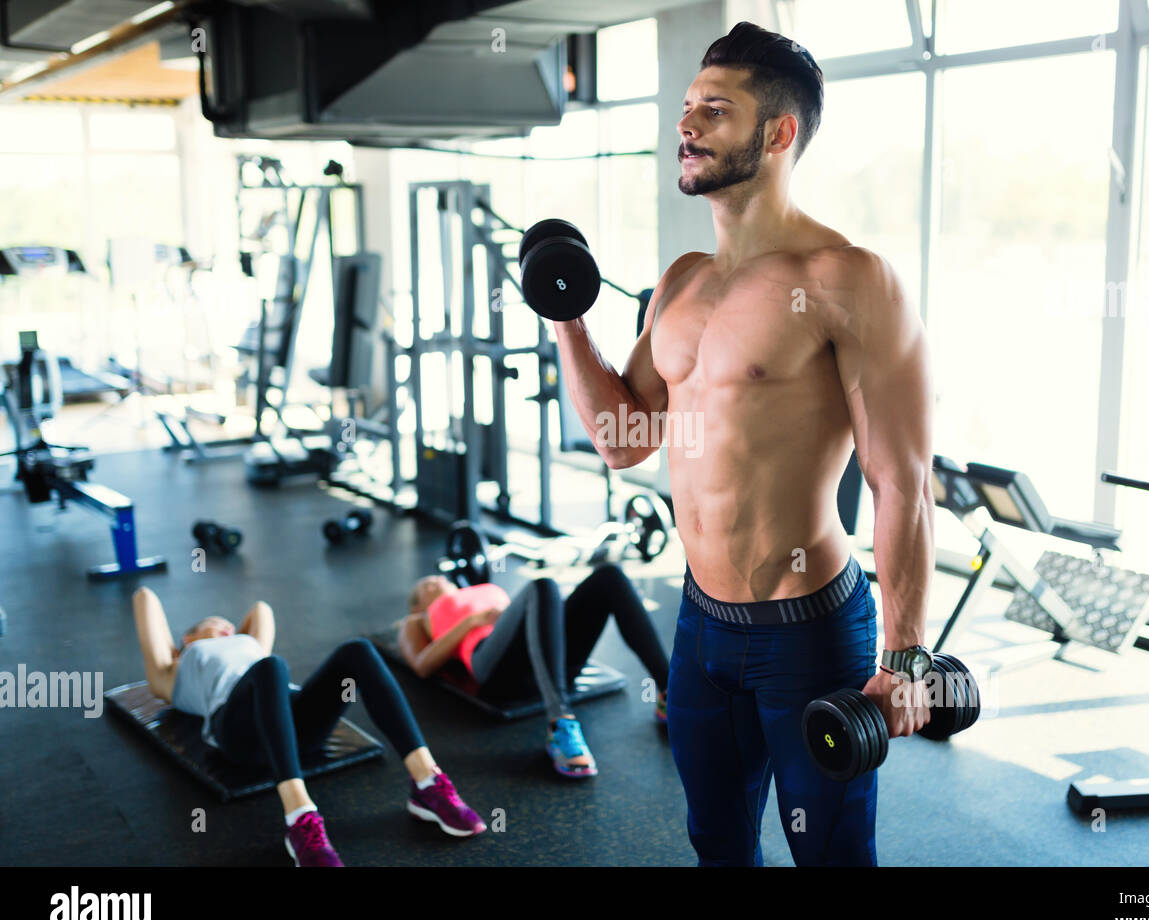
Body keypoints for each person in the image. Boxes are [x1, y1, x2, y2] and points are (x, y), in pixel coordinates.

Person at [551, 21, 936, 866]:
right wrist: (566, 320)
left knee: (831, 852)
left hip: (812, 634)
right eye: (687, 108)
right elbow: (624, 440)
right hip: (702, 625)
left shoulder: (847, 279)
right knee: (716, 842)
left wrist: (905, 652)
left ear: (778, 133)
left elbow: (902, 478)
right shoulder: (682, 281)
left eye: (713, 111)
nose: (685, 126)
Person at [132, 586, 486, 867]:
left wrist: (232, 634)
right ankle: (300, 819)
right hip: (239, 733)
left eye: (230, 624)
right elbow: (144, 598)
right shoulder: (174, 670)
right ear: (188, 641)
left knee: (357, 651)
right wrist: (193, 642)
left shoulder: (250, 645)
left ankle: (428, 782)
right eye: (213, 623)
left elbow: (260, 611)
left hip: (294, 726)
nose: (227, 626)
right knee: (272, 667)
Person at [398, 563, 671, 778]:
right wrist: (474, 620)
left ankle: (669, 692)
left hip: (548, 656)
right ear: (417, 605)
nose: (433, 581)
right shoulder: (417, 619)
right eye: (425, 587)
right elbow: (422, 665)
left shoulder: (482, 589)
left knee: (608, 576)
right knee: (542, 585)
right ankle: (560, 723)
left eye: (436, 579)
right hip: (495, 665)